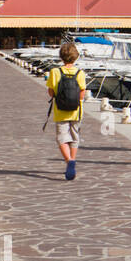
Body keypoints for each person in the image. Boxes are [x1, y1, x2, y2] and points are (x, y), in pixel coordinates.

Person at [46, 41, 88, 181]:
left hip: (60, 111)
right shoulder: (80, 73)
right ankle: (73, 159)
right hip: (76, 111)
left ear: (61, 56)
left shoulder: (55, 72)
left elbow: (51, 93)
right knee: (74, 137)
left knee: (61, 138)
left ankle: (68, 160)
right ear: (75, 57)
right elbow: (82, 94)